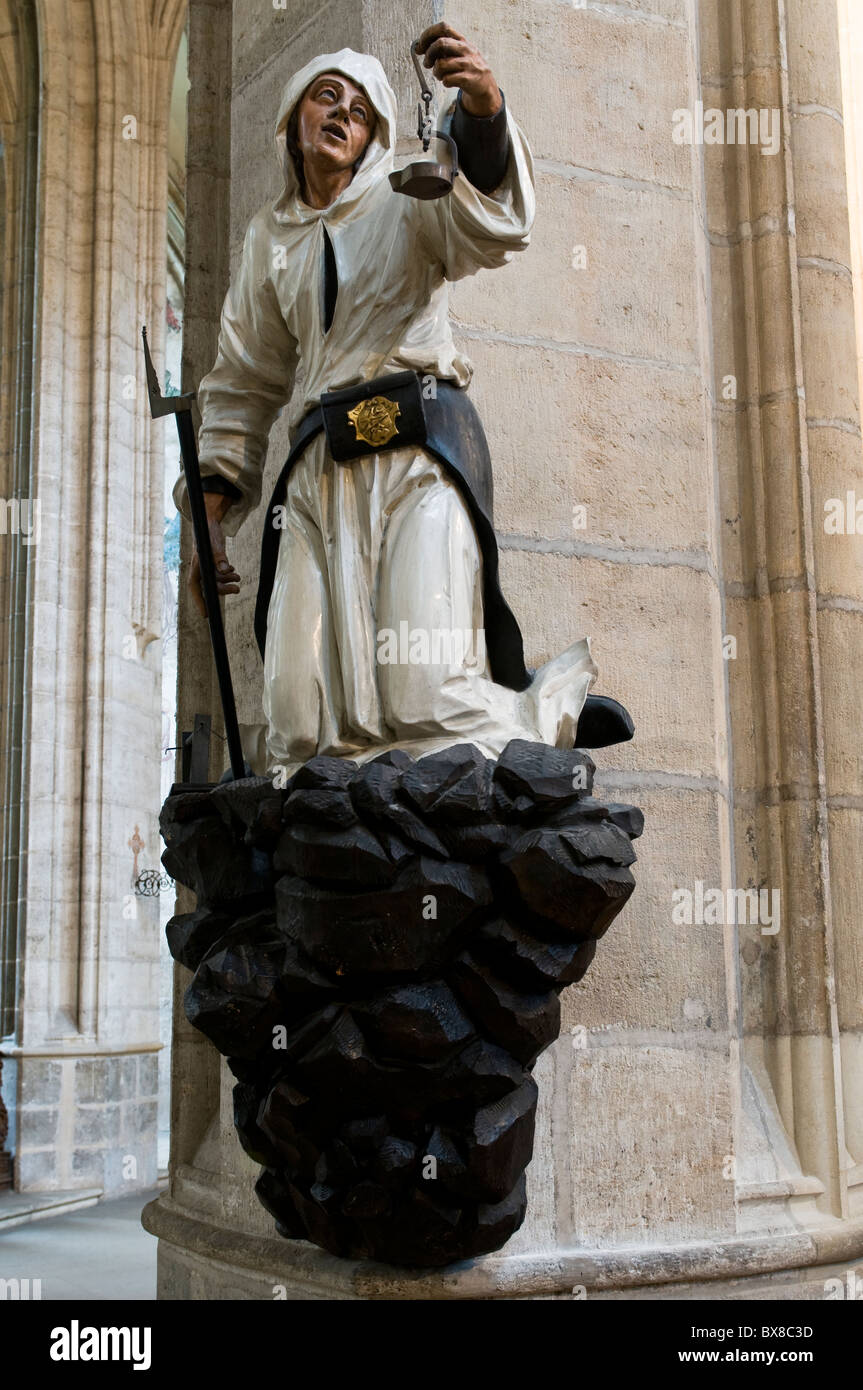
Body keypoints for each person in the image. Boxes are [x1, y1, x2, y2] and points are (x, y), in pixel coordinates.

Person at [174, 24, 631, 778]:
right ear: (292, 118)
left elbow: (489, 224)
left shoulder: (409, 191)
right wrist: (209, 520)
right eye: (326, 98)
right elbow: (244, 380)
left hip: (419, 453)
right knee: (298, 724)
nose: (342, 116)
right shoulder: (269, 239)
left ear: (375, 134)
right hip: (318, 474)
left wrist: (480, 108)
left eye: (359, 110)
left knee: (426, 699)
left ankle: (538, 710)